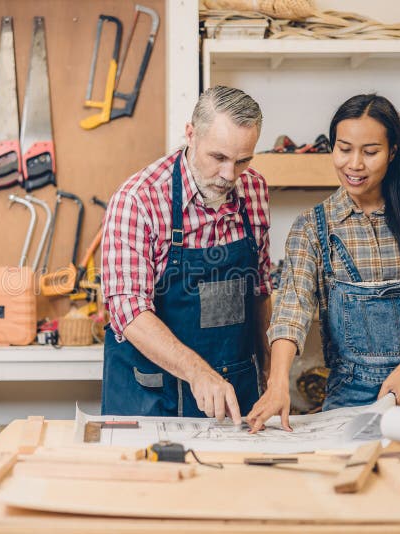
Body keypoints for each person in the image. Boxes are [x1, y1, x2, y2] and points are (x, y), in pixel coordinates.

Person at [248, 94, 400, 432]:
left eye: (370, 152)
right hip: (351, 390)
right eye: (344, 149)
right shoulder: (313, 226)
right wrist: (277, 380)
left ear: (393, 151)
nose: (354, 164)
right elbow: (291, 308)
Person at [101, 86, 273, 424]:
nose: (229, 175)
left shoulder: (253, 188)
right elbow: (128, 311)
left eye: (243, 160)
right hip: (153, 398)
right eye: (218, 157)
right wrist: (198, 372)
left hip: (234, 393)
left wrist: (267, 366)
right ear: (191, 134)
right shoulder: (139, 200)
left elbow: (260, 288)